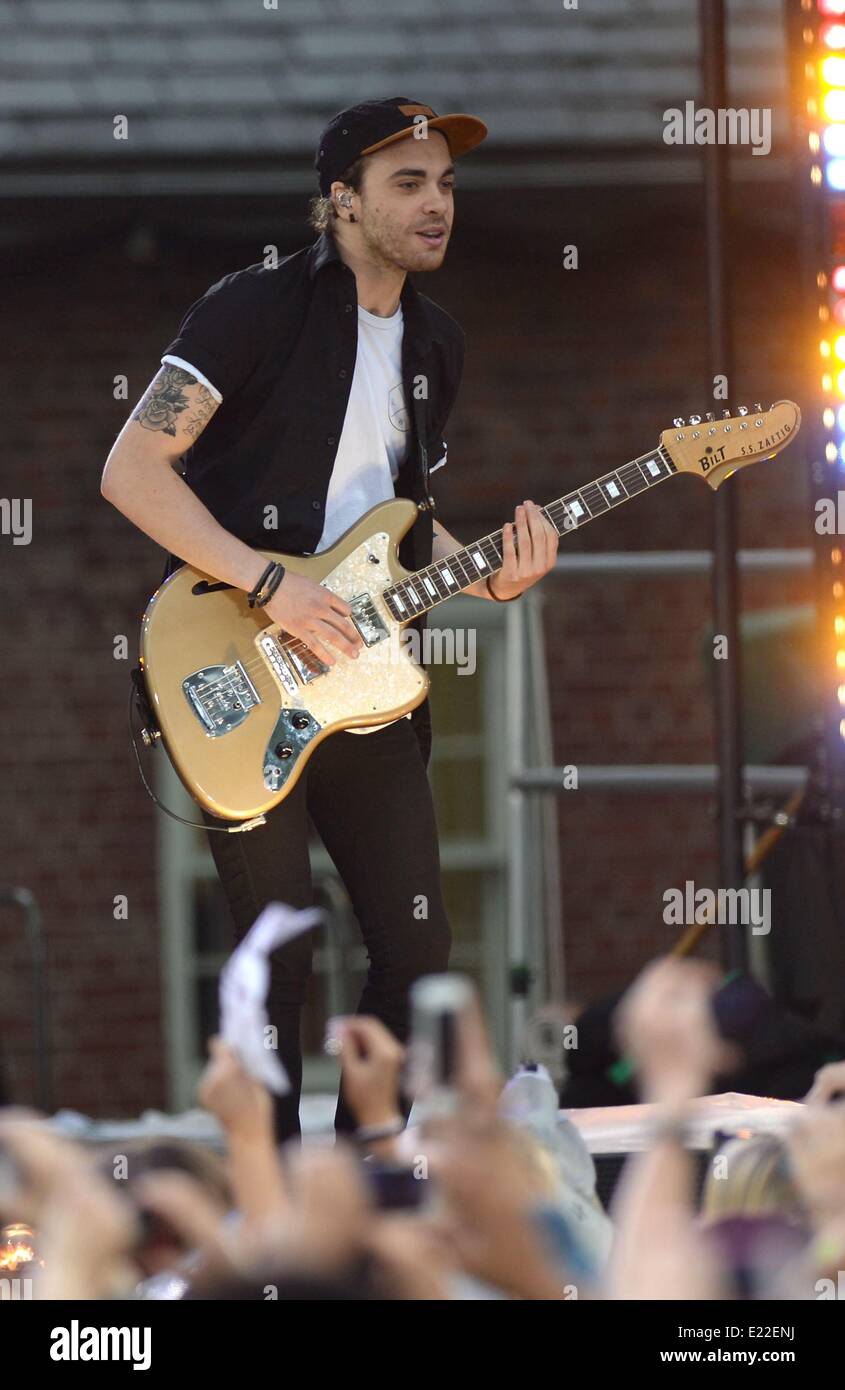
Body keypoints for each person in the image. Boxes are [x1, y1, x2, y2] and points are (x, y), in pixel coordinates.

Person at [101, 97, 560, 1144]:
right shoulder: (251, 309)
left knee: (416, 950)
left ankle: (364, 1184)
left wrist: (486, 573)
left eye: (445, 183)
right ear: (340, 202)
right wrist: (269, 586)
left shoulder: (433, 345)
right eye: (408, 183)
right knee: (279, 954)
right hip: (229, 657)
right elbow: (130, 469)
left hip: (358, 676)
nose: (436, 202)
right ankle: (271, 1218)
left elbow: (397, 536)